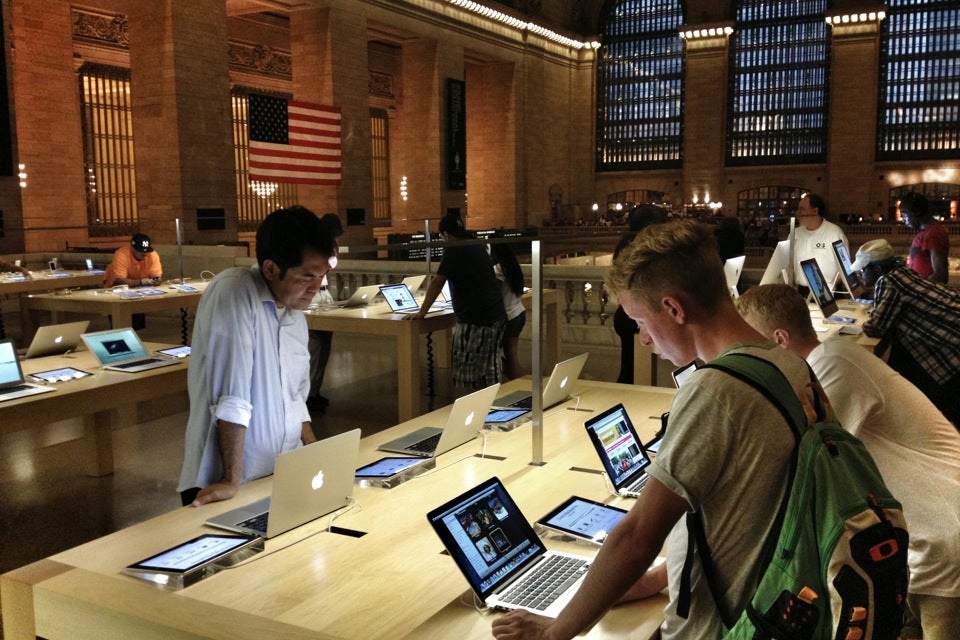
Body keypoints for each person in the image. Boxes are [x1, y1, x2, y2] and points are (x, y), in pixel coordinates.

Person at [492, 219, 811, 640]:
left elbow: (639, 534)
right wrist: (656, 578)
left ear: (675, 309)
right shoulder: (788, 363)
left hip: (722, 626)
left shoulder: (715, 390)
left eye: (640, 321)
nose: (643, 339)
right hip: (781, 606)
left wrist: (557, 630)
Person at [736, 283, 960, 639]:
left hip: (945, 535)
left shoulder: (830, 367)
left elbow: (787, 466)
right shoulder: (834, 354)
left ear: (779, 339)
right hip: (929, 529)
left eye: (747, 345)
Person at [177, 206, 335, 507]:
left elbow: (294, 400)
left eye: (323, 275)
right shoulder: (235, 292)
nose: (317, 287)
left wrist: (316, 454)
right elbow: (233, 396)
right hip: (227, 482)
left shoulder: (295, 315)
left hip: (278, 476)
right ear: (271, 269)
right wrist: (230, 480)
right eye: (306, 277)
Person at [853, 238, 960, 427]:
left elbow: (877, 326)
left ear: (876, 270)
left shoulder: (888, 281)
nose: (860, 275)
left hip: (950, 363)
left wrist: (873, 320)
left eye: (863, 270)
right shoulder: (904, 274)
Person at [407, 213, 505, 395]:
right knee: (490, 369)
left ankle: (472, 413)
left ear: (446, 234)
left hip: (475, 320)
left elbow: (437, 282)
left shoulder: (454, 249)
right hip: (495, 315)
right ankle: (493, 410)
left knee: (469, 374)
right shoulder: (476, 243)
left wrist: (422, 313)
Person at [612, 204, 668, 383]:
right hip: (633, 318)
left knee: (630, 368)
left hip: (627, 316)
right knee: (634, 371)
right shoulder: (641, 249)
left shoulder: (627, 243)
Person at [306, 213, 344, 412]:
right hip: (314, 294)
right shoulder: (316, 245)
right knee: (314, 346)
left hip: (324, 291)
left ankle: (315, 391)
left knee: (325, 344)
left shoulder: (328, 245)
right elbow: (327, 265)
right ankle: (308, 394)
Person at [792, 193, 848, 291]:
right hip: (802, 292)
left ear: (815, 211)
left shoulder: (835, 233)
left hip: (829, 293)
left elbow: (845, 267)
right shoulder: (795, 234)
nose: (798, 213)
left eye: (802, 209)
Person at [491, 237, 526, 380]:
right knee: (512, 354)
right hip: (518, 312)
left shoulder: (498, 269)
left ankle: (515, 385)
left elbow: (495, 294)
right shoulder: (511, 265)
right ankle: (517, 383)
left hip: (508, 316)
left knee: (500, 355)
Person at [900, 191, 950, 284]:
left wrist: (917, 290)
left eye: (904, 215)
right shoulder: (927, 233)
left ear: (916, 212)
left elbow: (940, 274)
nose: (904, 220)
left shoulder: (934, 233)